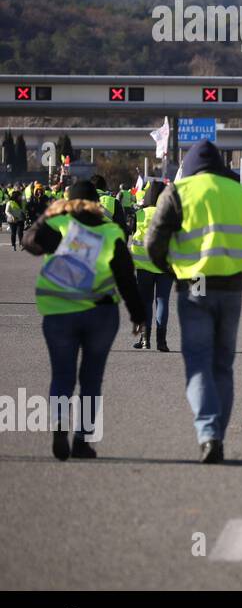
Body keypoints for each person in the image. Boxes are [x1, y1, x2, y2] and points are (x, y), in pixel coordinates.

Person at [146, 140, 242, 464]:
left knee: (199, 360)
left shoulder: (178, 193)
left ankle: (208, 435)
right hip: (232, 286)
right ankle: (218, 432)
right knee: (223, 364)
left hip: (197, 285)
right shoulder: (241, 193)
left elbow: (153, 244)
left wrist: (172, 269)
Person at [23, 180, 147, 460]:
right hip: (100, 313)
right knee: (92, 378)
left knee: (62, 374)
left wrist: (49, 217)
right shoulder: (110, 231)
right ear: (97, 203)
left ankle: (58, 424)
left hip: (59, 311)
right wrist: (138, 315)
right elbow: (126, 277)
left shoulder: (58, 224)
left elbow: (29, 242)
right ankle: (82, 439)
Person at [128, 180, 173, 351]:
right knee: (162, 302)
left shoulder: (139, 214)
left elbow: (130, 233)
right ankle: (162, 342)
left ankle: (145, 339)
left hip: (144, 265)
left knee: (145, 302)